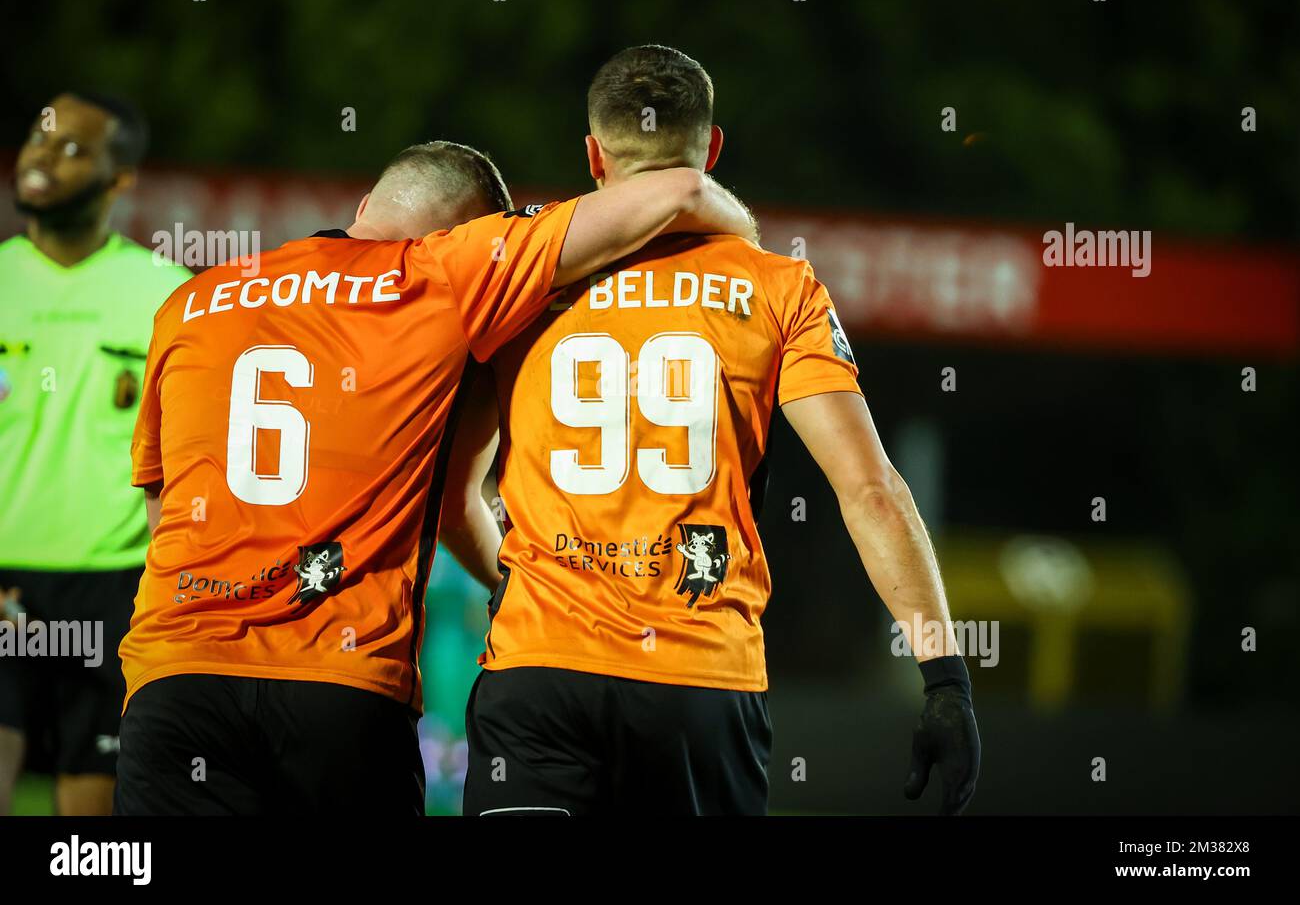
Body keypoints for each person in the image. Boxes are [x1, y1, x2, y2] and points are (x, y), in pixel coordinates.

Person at [112, 139, 756, 815]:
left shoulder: (193, 299)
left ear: (365, 207)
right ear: (470, 234)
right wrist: (746, 248)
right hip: (338, 684)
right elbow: (678, 191)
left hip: (175, 676)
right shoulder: (443, 270)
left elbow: (164, 504)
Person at [452, 45, 981, 816]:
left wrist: (512, 580)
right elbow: (870, 489)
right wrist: (944, 679)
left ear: (593, 155)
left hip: (540, 677)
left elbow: (449, 490)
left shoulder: (519, 271)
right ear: (714, 147)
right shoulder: (779, 286)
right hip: (699, 685)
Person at [0, 92, 190, 816]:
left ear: (121, 180)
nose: (43, 156)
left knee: (93, 819)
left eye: (74, 148)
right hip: (3, 576)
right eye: (37, 138)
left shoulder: (165, 295)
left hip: (116, 587)